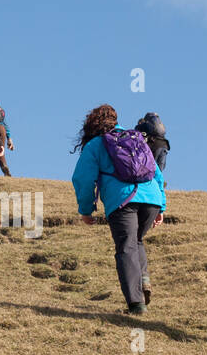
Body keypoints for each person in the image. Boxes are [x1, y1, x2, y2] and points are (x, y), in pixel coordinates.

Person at [70, 104, 166, 314]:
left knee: (126, 247)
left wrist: (86, 210)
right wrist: (161, 206)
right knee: (137, 240)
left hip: (122, 201)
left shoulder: (96, 144)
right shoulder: (137, 137)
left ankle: (136, 304)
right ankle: (144, 280)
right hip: (151, 199)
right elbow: (157, 173)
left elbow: (83, 179)